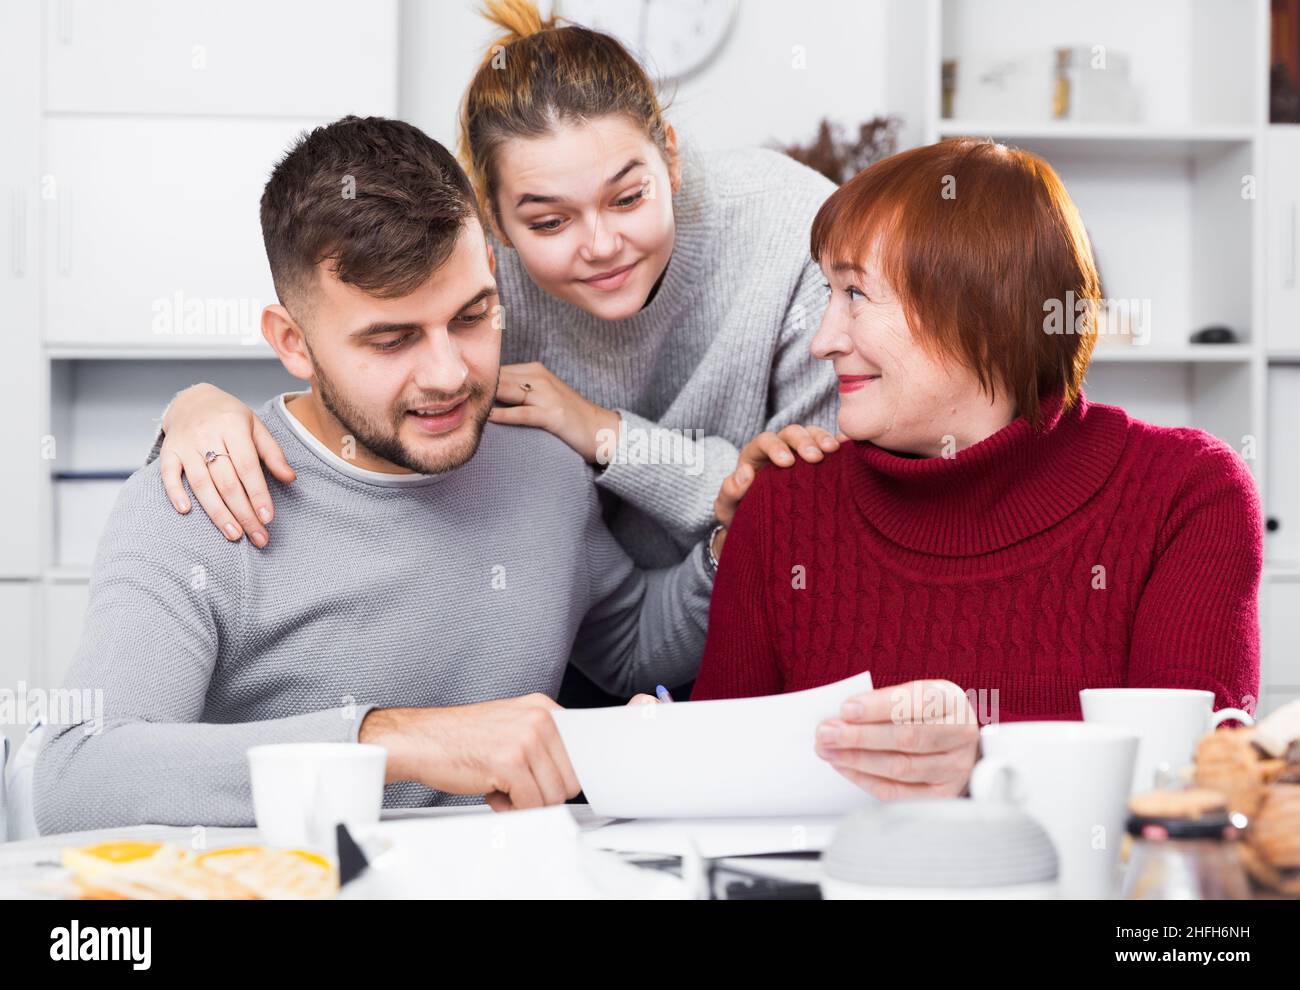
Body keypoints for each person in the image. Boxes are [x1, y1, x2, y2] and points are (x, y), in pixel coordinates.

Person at [33, 116, 718, 835]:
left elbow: (634, 645)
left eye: (472, 315)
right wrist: (391, 741)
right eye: (392, 340)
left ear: (490, 267)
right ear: (293, 342)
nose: (450, 375)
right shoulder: (201, 493)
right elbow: (74, 778)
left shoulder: (542, 462)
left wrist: (726, 545)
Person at [137, 0, 841, 667]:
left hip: (749, 605)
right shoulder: (471, 272)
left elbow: (819, 505)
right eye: (549, 221)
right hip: (570, 639)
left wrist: (602, 432)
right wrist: (194, 407)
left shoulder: (789, 231)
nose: (601, 245)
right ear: (494, 223)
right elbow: (353, 369)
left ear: (673, 160)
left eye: (629, 198)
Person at [697, 138, 1263, 801]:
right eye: (830, 293)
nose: (824, 340)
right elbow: (720, 790)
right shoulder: (783, 504)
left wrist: (983, 764)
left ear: (983, 309)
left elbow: (1188, 792)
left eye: (855, 293)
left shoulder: (1187, 492)